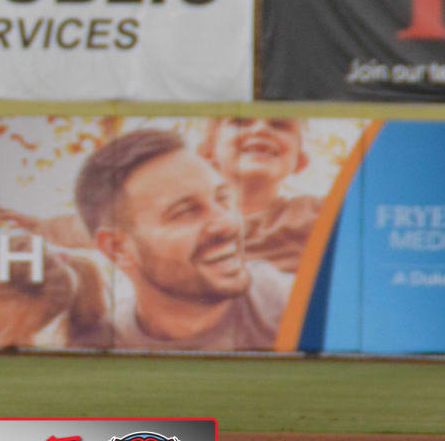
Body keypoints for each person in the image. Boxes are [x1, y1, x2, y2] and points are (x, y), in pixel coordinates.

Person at [76, 128, 290, 351]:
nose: (227, 224)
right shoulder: (99, 348)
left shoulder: (297, 309)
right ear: (118, 248)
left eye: (222, 199)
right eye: (185, 211)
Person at [198, 118, 321, 273]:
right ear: (208, 153)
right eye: (241, 122)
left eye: (279, 124)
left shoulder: (316, 213)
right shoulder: (189, 224)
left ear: (300, 161)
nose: (261, 129)